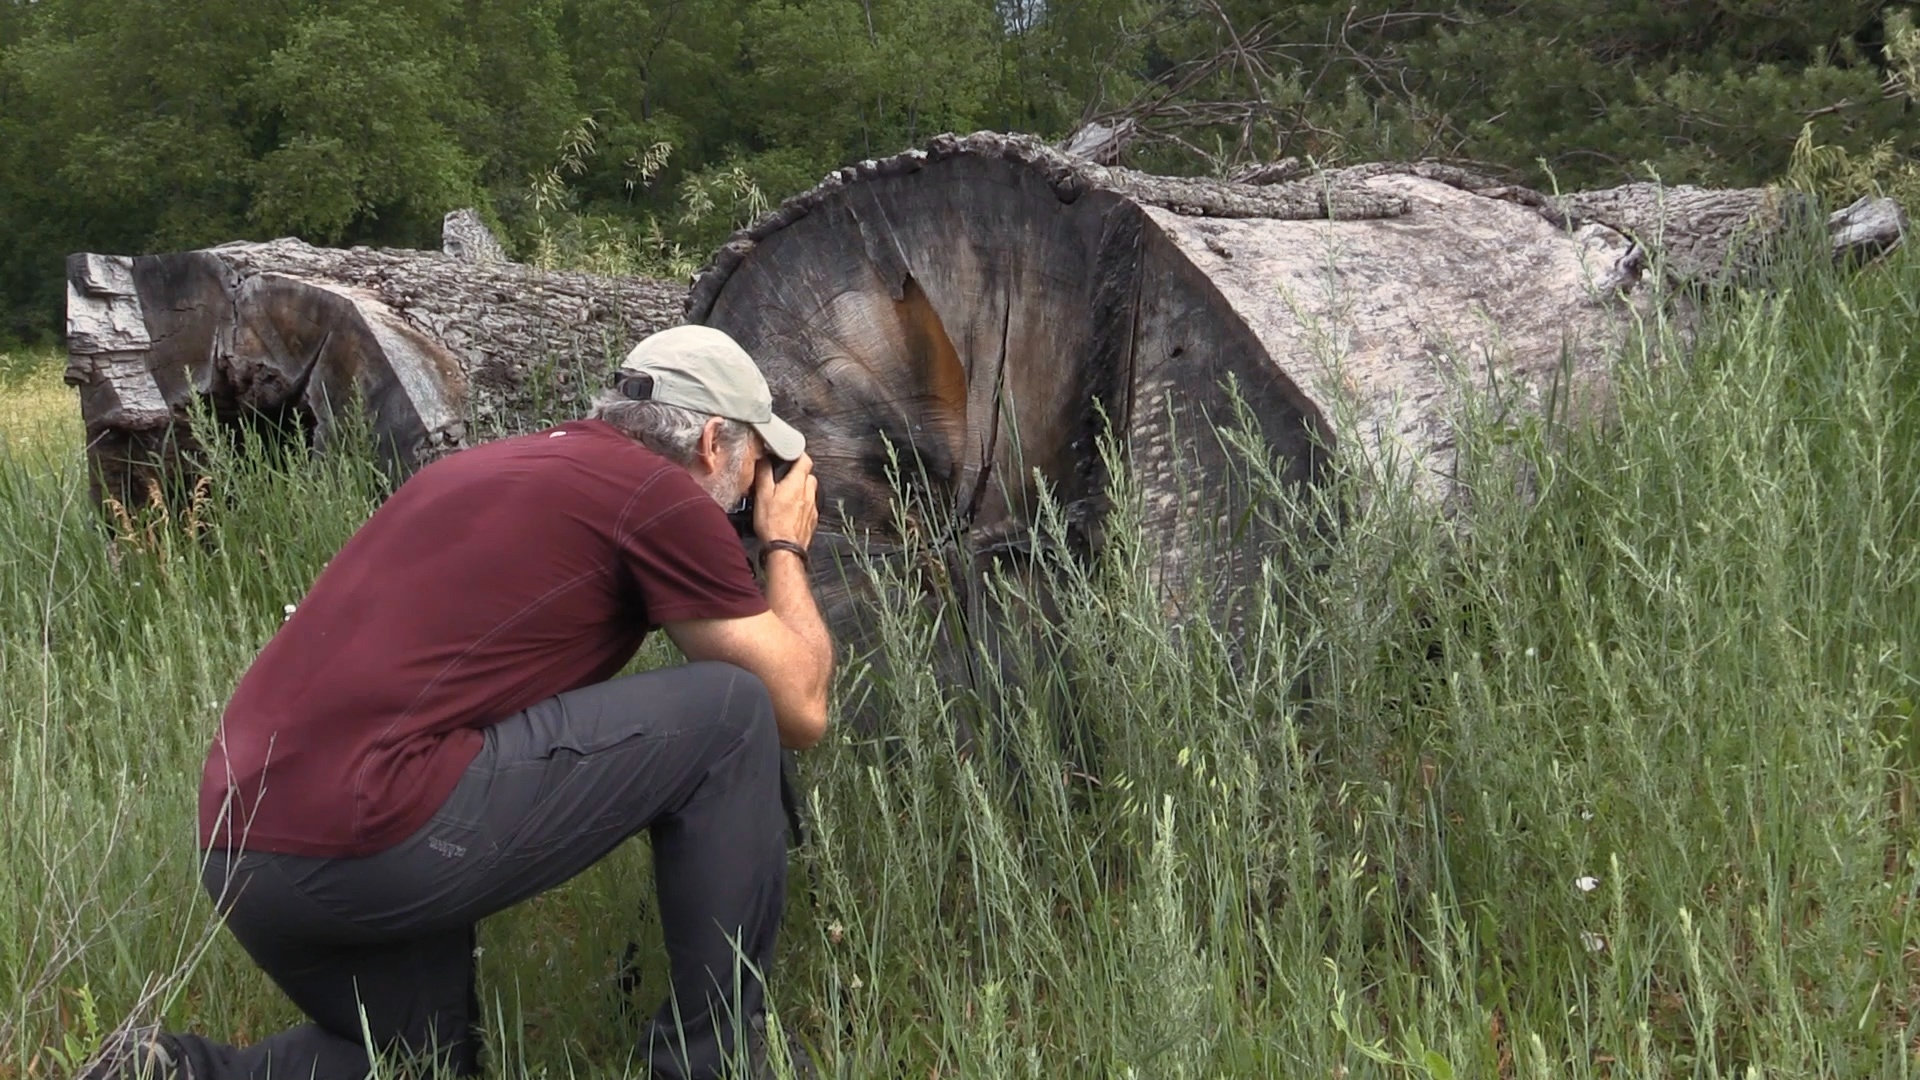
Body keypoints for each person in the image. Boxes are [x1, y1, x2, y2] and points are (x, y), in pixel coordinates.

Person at [82, 325, 835, 1080]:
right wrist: (782, 547)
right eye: (757, 468)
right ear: (712, 442)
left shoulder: (484, 469)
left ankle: (168, 1070)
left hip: (244, 847)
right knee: (730, 714)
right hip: (377, 827)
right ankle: (723, 1061)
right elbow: (796, 709)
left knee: (414, 1062)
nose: (751, 493)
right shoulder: (659, 493)